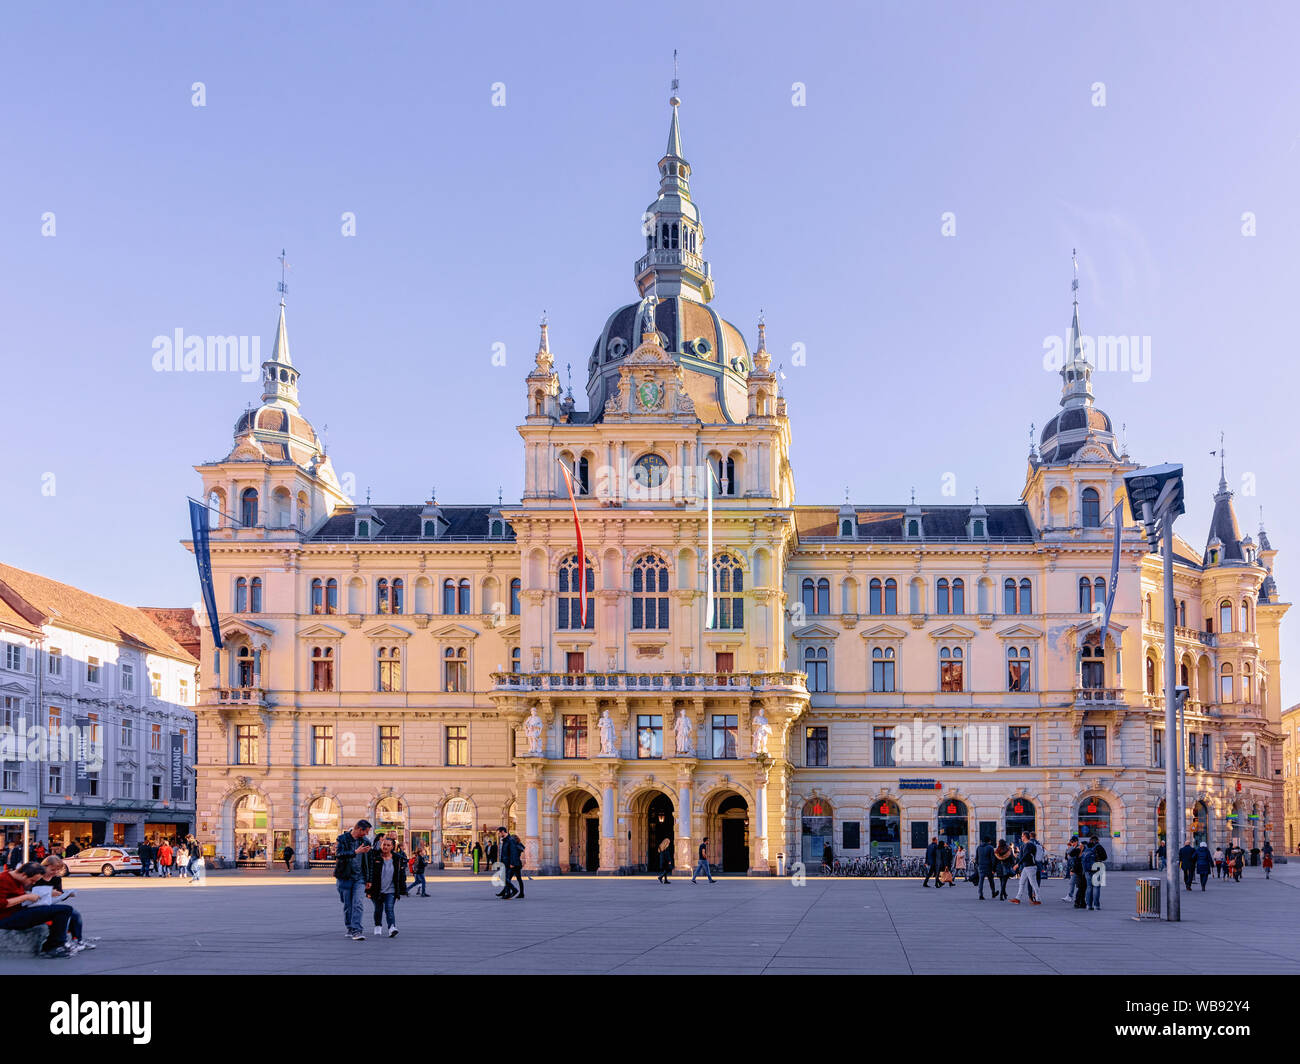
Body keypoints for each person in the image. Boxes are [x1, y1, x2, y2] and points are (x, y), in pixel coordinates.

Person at [0, 861, 77, 957]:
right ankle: (52, 947)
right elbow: (2, 904)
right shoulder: (3, 879)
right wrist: (26, 897)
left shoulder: (17, 880)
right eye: (32, 881)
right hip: (6, 919)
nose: (33, 883)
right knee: (64, 910)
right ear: (24, 875)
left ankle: (60, 942)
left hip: (17, 912)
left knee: (68, 911)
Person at [40, 857, 94, 952]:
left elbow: (59, 894)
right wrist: (48, 892)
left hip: (50, 904)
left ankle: (77, 940)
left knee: (74, 914)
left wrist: (68, 894)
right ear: (45, 866)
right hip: (38, 905)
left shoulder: (56, 879)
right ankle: (62, 941)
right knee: (65, 914)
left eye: (58, 870)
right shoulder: (37, 877)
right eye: (52, 870)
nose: (55, 872)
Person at [334, 820, 373, 941]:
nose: (366, 835)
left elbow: (369, 862)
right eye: (365, 832)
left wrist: (369, 879)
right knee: (348, 905)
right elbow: (339, 854)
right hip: (345, 877)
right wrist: (355, 852)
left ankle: (357, 930)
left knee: (358, 903)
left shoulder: (365, 842)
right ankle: (350, 927)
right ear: (359, 829)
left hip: (360, 878)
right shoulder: (342, 839)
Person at [366, 835, 406, 937]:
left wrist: (401, 890)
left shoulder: (397, 859)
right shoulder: (374, 857)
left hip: (391, 890)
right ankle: (378, 926)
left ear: (392, 847)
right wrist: (368, 891)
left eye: (388, 845)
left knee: (389, 908)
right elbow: (369, 874)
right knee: (378, 909)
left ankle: (392, 928)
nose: (385, 847)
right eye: (384, 845)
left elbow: (400, 876)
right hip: (376, 889)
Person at [1010, 831, 1041, 904]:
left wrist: (1018, 864)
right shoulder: (1026, 845)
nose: (1021, 837)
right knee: (1021, 882)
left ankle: (1038, 899)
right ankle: (1018, 898)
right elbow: (1023, 855)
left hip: (1030, 867)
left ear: (1025, 836)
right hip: (1026, 867)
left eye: (1022, 836)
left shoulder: (1029, 845)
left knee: (1033, 883)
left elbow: (1026, 855)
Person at [497, 826, 525, 900]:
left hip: (511, 863)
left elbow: (513, 853)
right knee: (508, 878)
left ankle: (512, 891)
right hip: (507, 862)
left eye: (499, 833)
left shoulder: (510, 840)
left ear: (502, 831)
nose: (498, 835)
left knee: (506, 878)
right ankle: (508, 893)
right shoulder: (505, 840)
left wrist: (512, 863)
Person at [1083, 835, 1107, 910]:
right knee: (1096, 887)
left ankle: (1089, 905)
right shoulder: (1099, 847)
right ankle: (1096, 905)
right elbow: (1105, 857)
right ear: (1097, 840)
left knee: (1089, 887)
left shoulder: (1086, 847)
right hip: (1097, 868)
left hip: (1087, 869)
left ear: (1090, 840)